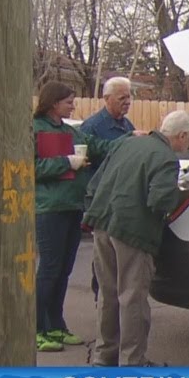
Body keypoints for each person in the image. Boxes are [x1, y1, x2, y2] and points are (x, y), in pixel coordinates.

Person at [84, 110, 189, 367]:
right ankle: (133, 361)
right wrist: (181, 195)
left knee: (108, 294)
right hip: (133, 232)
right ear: (181, 135)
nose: (188, 146)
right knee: (132, 297)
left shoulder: (127, 143)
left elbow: (95, 184)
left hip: (102, 223)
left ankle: (104, 356)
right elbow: (160, 201)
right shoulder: (166, 158)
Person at [32, 81, 126, 353]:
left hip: (73, 206)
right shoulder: (35, 129)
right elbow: (31, 166)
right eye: (68, 102)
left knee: (64, 269)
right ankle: (37, 328)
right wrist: (66, 162)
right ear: (53, 103)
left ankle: (56, 325)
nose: (73, 106)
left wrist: (129, 139)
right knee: (49, 268)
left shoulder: (69, 131)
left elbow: (97, 145)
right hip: (49, 208)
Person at [76, 76, 136, 302]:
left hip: (121, 199)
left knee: (118, 253)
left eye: (129, 97)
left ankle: (114, 299)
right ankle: (101, 298)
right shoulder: (92, 127)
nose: (127, 102)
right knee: (103, 254)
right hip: (101, 200)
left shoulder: (127, 126)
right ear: (107, 99)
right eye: (122, 98)